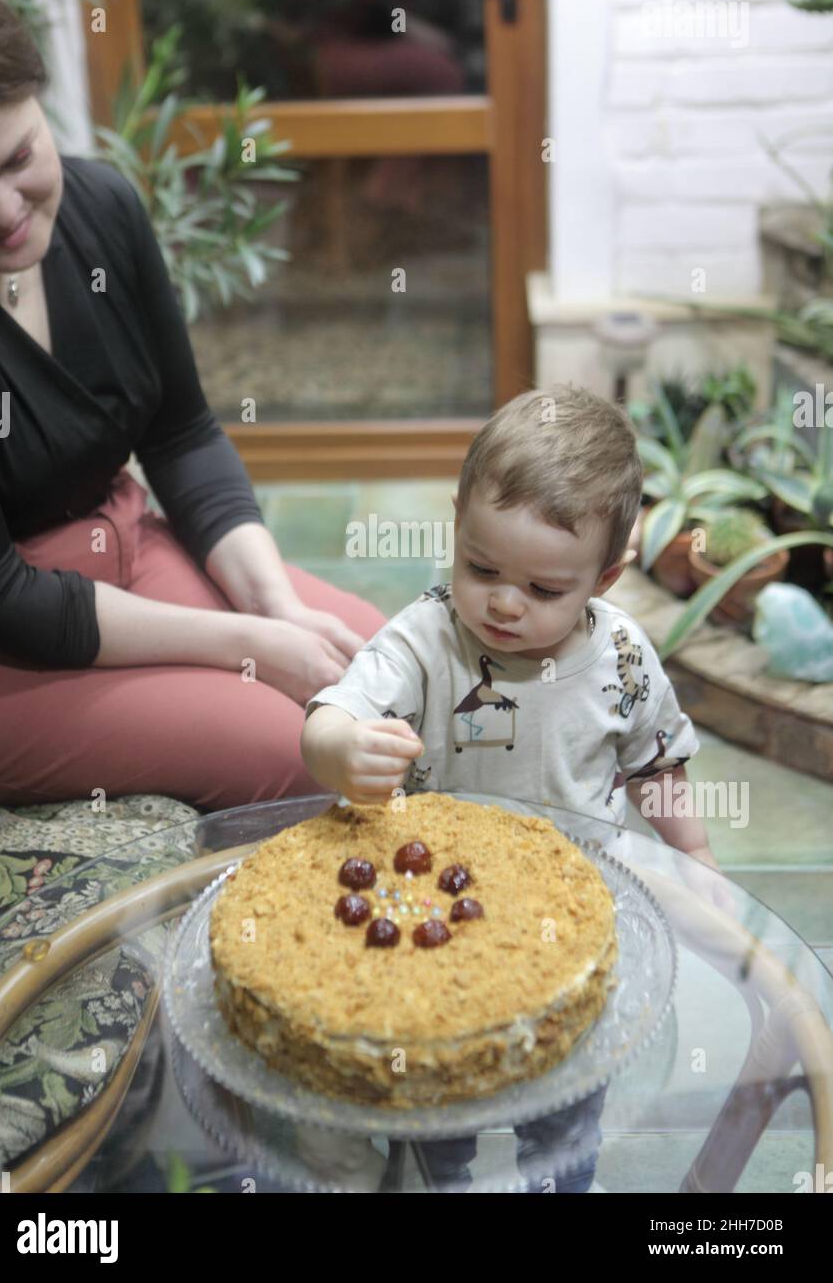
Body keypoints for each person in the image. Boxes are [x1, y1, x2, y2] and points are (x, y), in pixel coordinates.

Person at [0, 0, 385, 811]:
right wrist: (252, 645)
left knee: (383, 665)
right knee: (302, 753)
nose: (4, 211)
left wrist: (274, 608)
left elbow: (182, 435)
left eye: (18, 159)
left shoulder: (103, 209)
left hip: (122, 551)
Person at [301, 383, 727, 1191]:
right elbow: (331, 715)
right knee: (438, 1102)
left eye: (543, 591)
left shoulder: (624, 658)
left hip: (577, 931)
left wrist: (697, 854)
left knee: (564, 1108)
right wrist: (340, 751)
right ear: (456, 520)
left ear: (606, 576)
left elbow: (656, 764)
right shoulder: (428, 640)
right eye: (481, 566)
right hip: (438, 925)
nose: (502, 602)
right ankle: (443, 1175)